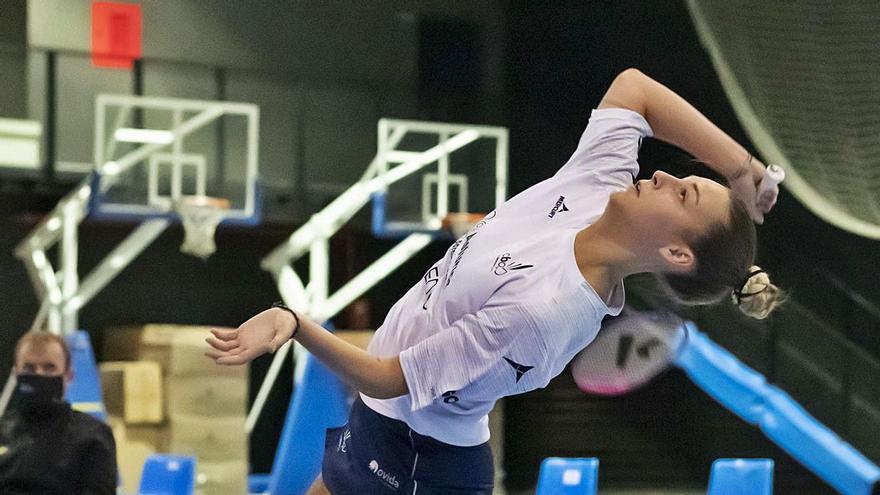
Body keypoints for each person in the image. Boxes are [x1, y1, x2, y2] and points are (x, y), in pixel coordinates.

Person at [206, 68, 785, 494]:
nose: (662, 173)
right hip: (393, 429)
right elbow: (637, 89)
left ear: (675, 252)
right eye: (682, 176)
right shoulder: (597, 181)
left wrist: (293, 323)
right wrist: (742, 169)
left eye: (682, 193)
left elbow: (388, 379)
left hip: (418, 460)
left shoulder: (546, 311)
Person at [0, 331, 117, 495]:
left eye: (49, 368)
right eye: (29, 368)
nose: (39, 374)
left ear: (68, 376)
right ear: (16, 375)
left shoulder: (94, 436)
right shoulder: (2, 431)